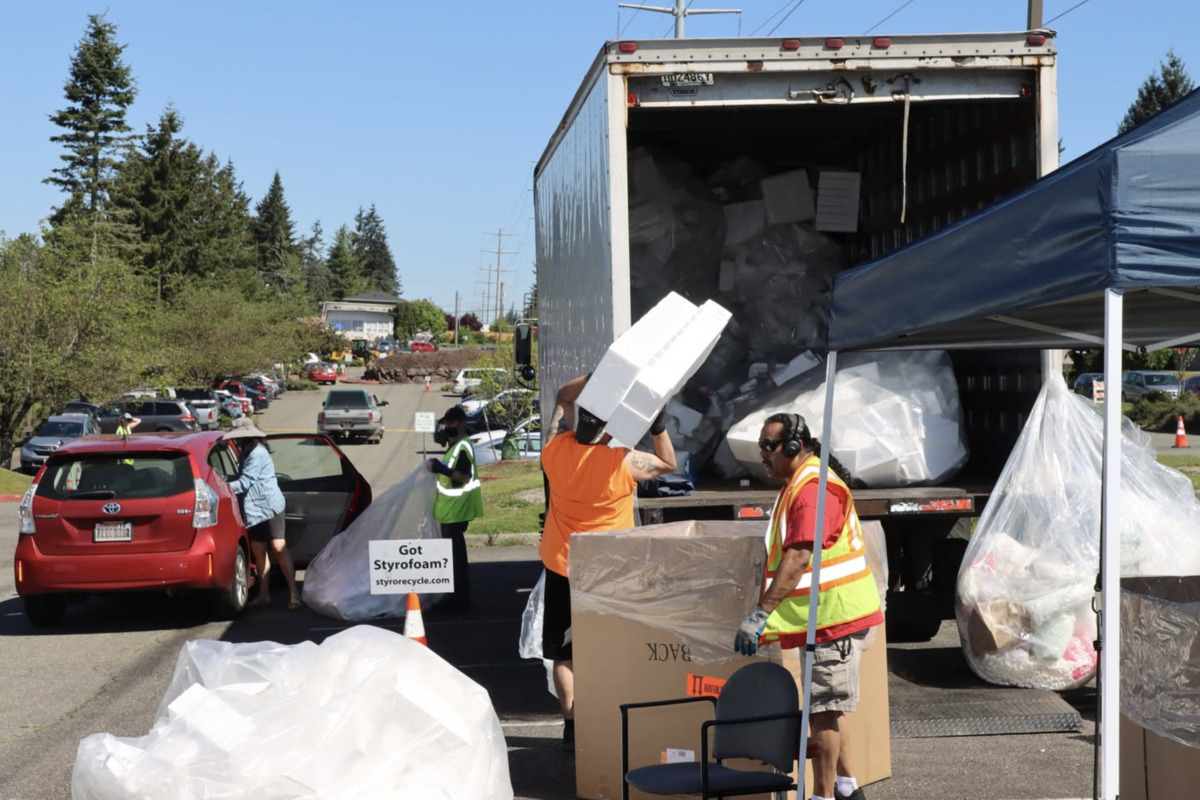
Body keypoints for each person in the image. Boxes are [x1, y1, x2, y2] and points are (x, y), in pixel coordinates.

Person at [732, 412, 882, 800]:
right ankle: (847, 787)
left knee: (822, 711)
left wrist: (761, 613)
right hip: (825, 617)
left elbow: (799, 555)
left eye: (769, 446)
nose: (762, 454)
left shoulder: (813, 489)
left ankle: (823, 795)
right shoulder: (800, 482)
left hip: (836, 618)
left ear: (795, 447)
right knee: (828, 708)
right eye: (760, 446)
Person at [539, 373, 678, 750]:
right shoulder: (622, 463)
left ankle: (572, 724)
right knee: (609, 646)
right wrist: (657, 423)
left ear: (577, 428)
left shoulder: (553, 453)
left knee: (564, 655)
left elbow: (562, 399)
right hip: (611, 571)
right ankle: (607, 713)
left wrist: (599, 378)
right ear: (606, 431)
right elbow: (668, 463)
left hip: (563, 568)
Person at [225, 421, 299, 610]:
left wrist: (220, 486)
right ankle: (264, 594)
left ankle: (294, 594)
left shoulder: (257, 453)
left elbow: (245, 482)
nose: (237, 440)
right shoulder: (245, 453)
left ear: (247, 436)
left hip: (270, 506)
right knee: (258, 551)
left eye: (238, 436)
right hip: (253, 510)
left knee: (278, 547)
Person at [427, 405, 482, 610]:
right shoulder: (454, 446)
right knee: (453, 556)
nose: (448, 425)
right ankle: (458, 596)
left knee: (455, 558)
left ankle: (458, 599)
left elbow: (463, 476)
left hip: (456, 510)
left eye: (452, 422)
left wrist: (442, 469)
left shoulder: (462, 447)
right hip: (451, 510)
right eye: (446, 422)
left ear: (462, 423)